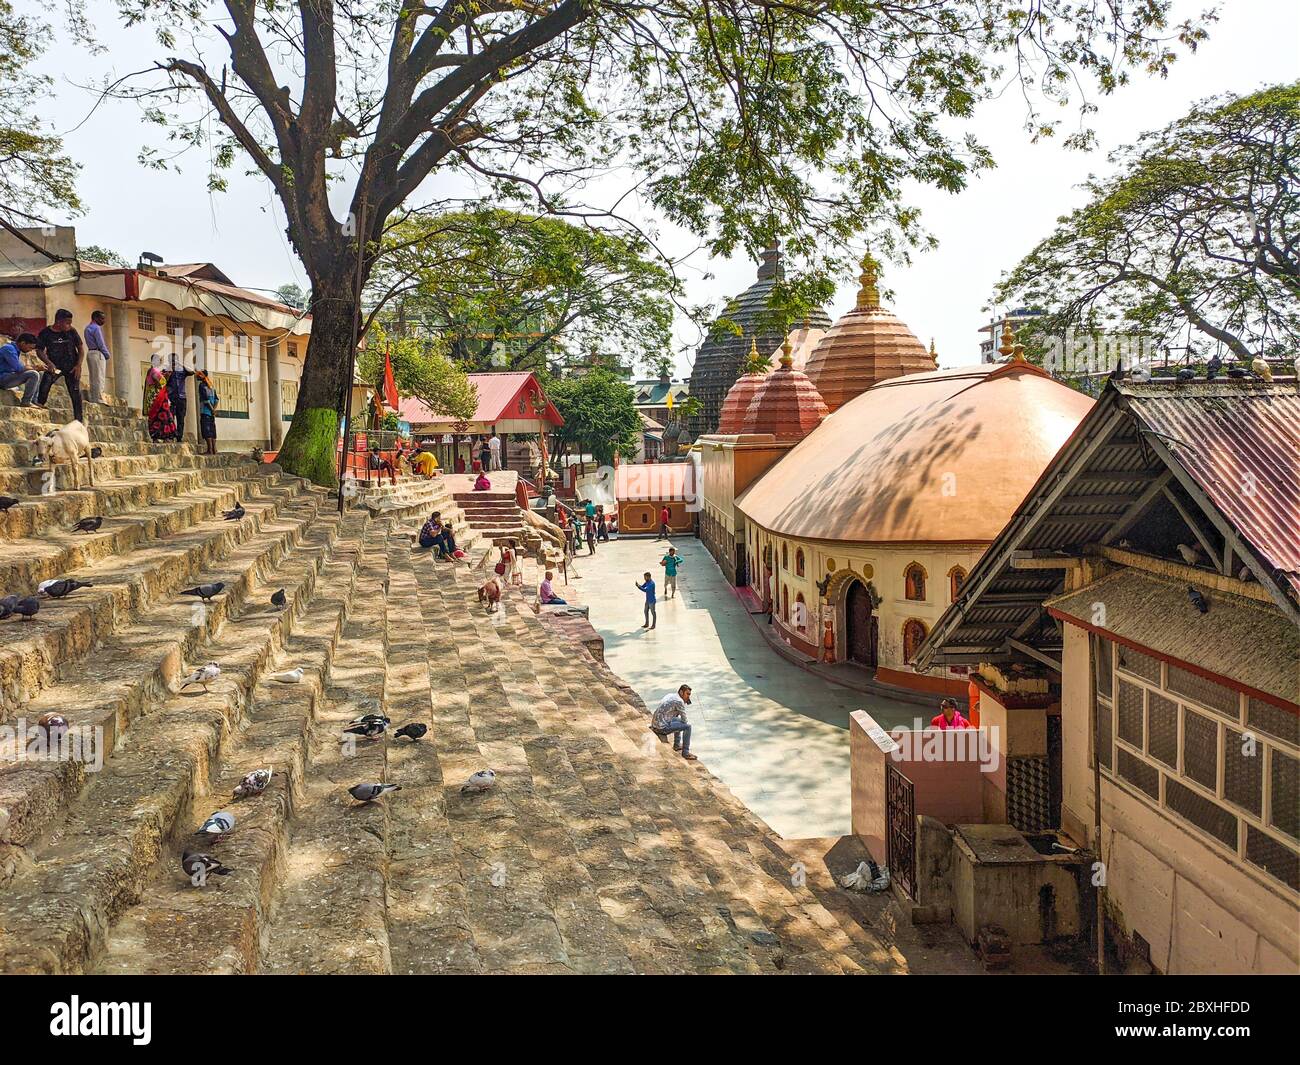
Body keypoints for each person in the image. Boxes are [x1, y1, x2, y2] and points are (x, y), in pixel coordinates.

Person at [35, 308, 85, 422]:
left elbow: (81, 349)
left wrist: (79, 366)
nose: (69, 325)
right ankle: (39, 406)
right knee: (45, 383)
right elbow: (39, 350)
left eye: (70, 323)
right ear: (58, 322)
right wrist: (49, 363)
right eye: (67, 323)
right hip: (55, 366)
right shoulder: (46, 333)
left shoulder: (72, 331)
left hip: (72, 367)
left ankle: (79, 421)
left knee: (75, 393)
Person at [650, 685, 697, 760]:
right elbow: (684, 720)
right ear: (681, 692)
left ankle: (677, 745)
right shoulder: (679, 701)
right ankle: (686, 753)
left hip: (655, 724)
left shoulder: (670, 695)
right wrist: (682, 706)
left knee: (677, 719)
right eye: (687, 694)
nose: (688, 696)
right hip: (661, 728)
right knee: (688, 727)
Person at [0, 333, 41, 406]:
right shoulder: (9, 348)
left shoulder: (15, 350)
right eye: (30, 348)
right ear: (23, 343)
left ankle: (34, 401)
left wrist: (35, 368)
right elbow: (19, 368)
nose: (30, 350)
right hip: (2, 378)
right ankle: (26, 401)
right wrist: (36, 367)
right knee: (33, 374)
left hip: (6, 377)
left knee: (36, 373)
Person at [82, 310, 111, 405]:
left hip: (90, 352)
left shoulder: (87, 328)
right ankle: (98, 397)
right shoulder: (96, 328)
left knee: (93, 377)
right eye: (102, 318)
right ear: (95, 318)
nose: (103, 320)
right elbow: (100, 343)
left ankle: (94, 397)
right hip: (98, 353)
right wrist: (106, 354)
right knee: (99, 376)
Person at [143, 364, 176, 442]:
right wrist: (163, 380)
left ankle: (164, 436)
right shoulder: (154, 370)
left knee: (163, 415)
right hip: (157, 396)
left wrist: (166, 376)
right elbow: (158, 381)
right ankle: (158, 436)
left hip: (160, 396)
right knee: (159, 415)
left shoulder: (155, 371)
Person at [195, 369, 219, 455]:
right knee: (212, 430)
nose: (197, 376)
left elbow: (205, 400)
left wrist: (212, 409)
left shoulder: (202, 386)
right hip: (212, 413)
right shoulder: (211, 386)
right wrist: (214, 410)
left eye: (199, 375)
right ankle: (214, 450)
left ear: (202, 376)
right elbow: (216, 399)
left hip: (205, 411)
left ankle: (209, 449)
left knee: (206, 430)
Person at [166, 360, 192, 440]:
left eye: (175, 362)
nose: (173, 364)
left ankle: (179, 436)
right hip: (171, 398)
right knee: (170, 417)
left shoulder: (182, 371)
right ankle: (171, 434)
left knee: (181, 418)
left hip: (181, 398)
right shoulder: (167, 370)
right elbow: (163, 382)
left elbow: (192, 371)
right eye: (172, 362)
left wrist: (182, 364)